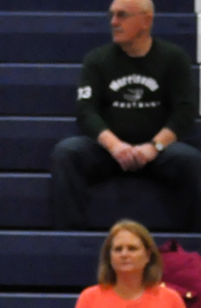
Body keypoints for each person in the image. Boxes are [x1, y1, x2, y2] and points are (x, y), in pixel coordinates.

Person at [50, 0, 201, 231]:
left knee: (191, 161)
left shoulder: (173, 58)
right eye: (112, 15)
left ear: (146, 21)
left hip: (157, 151)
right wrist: (115, 147)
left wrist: (154, 147)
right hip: (109, 150)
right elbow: (85, 111)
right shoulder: (97, 59)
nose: (113, 22)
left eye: (122, 15)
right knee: (67, 153)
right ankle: (69, 238)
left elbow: (185, 111)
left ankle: (189, 243)